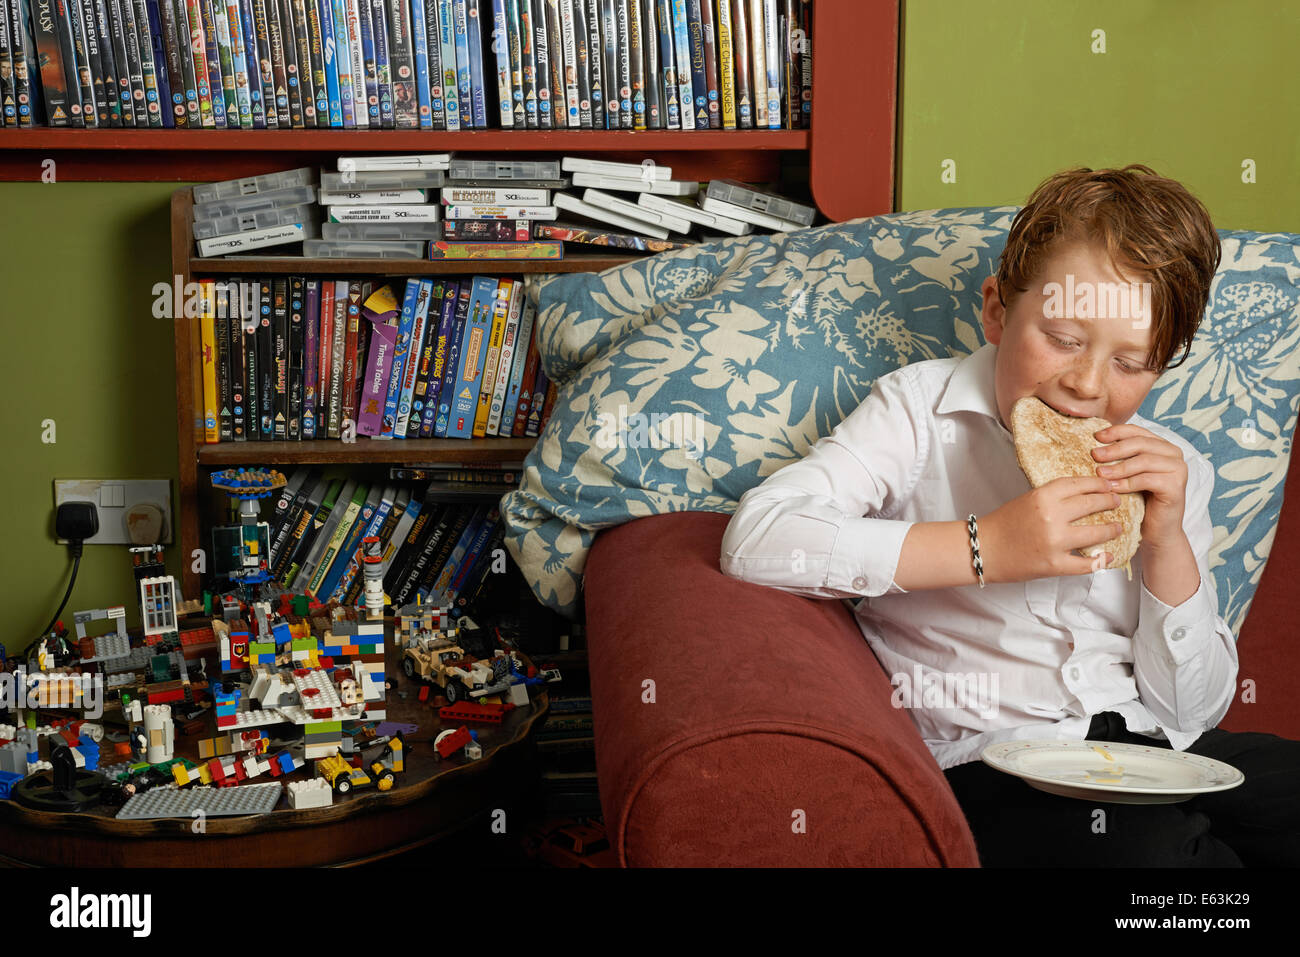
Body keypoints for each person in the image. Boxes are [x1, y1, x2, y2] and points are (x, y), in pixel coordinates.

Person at [720, 165, 1300, 867]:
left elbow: (1191, 713)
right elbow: (758, 538)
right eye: (1061, 337)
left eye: (1132, 363)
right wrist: (984, 546)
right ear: (997, 311)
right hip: (995, 763)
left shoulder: (1173, 467)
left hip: (1153, 748)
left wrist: (1167, 541)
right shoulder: (917, 412)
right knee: (1159, 862)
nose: (1087, 385)